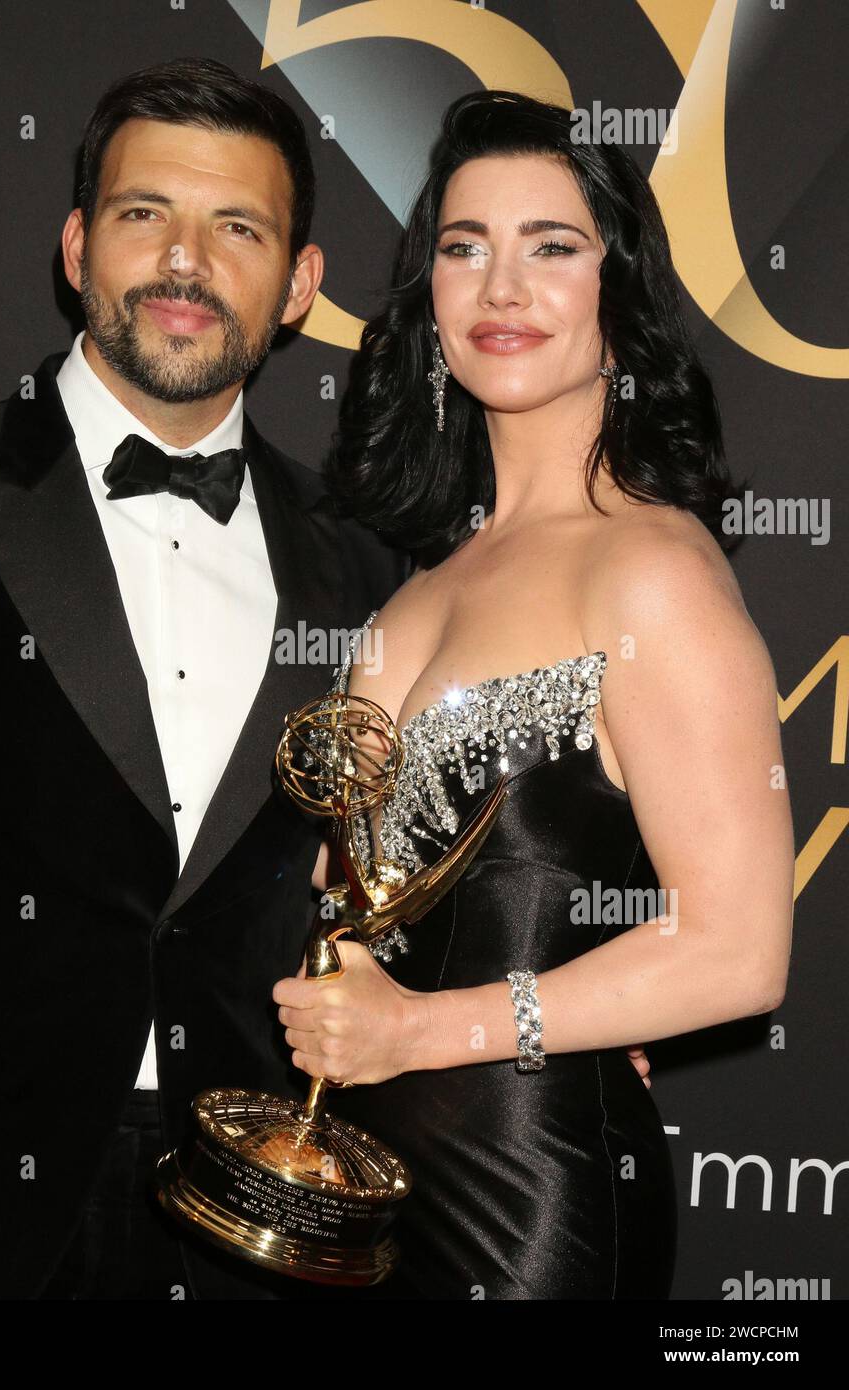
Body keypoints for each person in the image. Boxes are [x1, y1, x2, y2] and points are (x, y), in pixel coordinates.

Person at [0, 57, 406, 1301]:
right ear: (78, 245)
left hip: (242, 1213)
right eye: (146, 216)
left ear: (300, 284)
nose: (185, 262)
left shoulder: (359, 561)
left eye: (235, 227)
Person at [273, 90, 794, 1300]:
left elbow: (738, 952)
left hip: (534, 1196)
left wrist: (420, 1030)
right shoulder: (414, 594)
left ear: (618, 298)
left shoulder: (651, 569)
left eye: (550, 247)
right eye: (464, 249)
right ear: (428, 302)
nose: (500, 288)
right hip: (364, 1191)